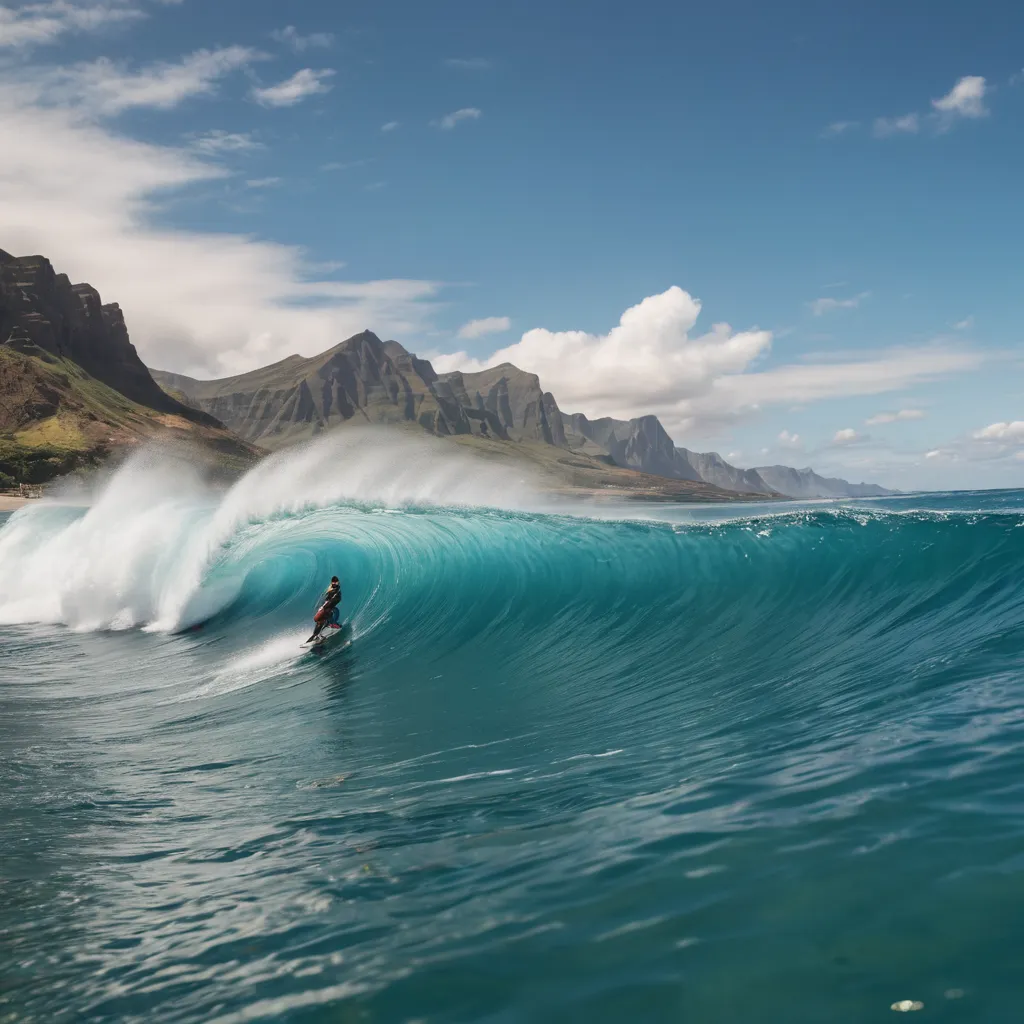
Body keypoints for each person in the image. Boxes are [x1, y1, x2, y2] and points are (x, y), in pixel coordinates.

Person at [307, 576, 342, 642]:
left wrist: (321, 607)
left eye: (336, 582)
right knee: (321, 623)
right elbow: (329, 601)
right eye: (335, 582)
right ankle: (315, 638)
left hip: (324, 609)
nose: (336, 583)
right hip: (324, 609)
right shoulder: (335, 591)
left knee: (322, 623)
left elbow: (325, 600)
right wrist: (323, 607)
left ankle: (317, 637)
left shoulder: (331, 589)